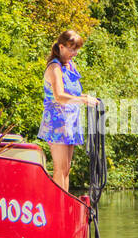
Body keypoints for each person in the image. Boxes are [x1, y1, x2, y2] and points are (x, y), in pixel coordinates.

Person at [39, 30, 98, 192]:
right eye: (72, 49)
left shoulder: (70, 66)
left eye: (77, 49)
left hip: (71, 121)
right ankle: (59, 205)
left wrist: (89, 98)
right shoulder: (54, 67)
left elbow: (74, 93)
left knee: (67, 169)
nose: (75, 53)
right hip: (57, 122)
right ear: (61, 46)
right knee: (60, 168)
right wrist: (84, 101)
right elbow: (59, 96)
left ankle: (65, 204)